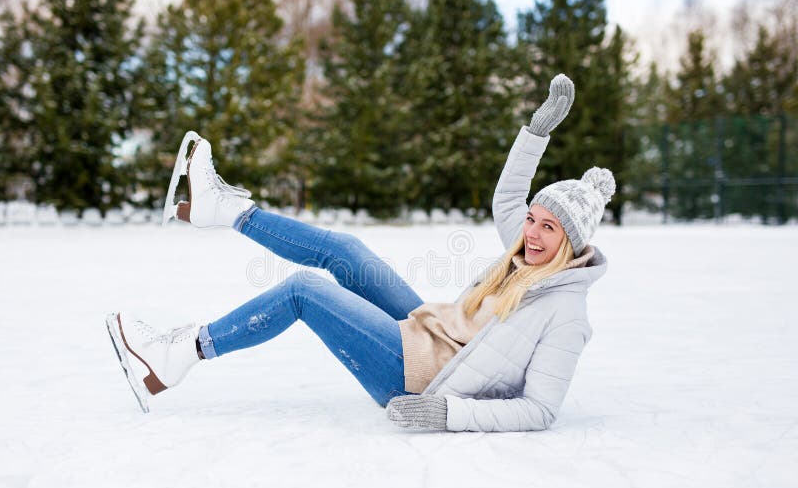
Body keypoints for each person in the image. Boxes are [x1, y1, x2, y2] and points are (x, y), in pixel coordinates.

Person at [106, 73, 615, 432]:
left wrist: (447, 414)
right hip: (426, 330)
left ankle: (176, 356)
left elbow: (539, 409)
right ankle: (222, 210)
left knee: (305, 291)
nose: (531, 232)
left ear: (570, 243)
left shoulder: (565, 311)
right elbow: (508, 198)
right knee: (346, 250)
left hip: (421, 378)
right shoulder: (524, 255)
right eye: (533, 219)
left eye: (549, 227)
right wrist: (536, 133)